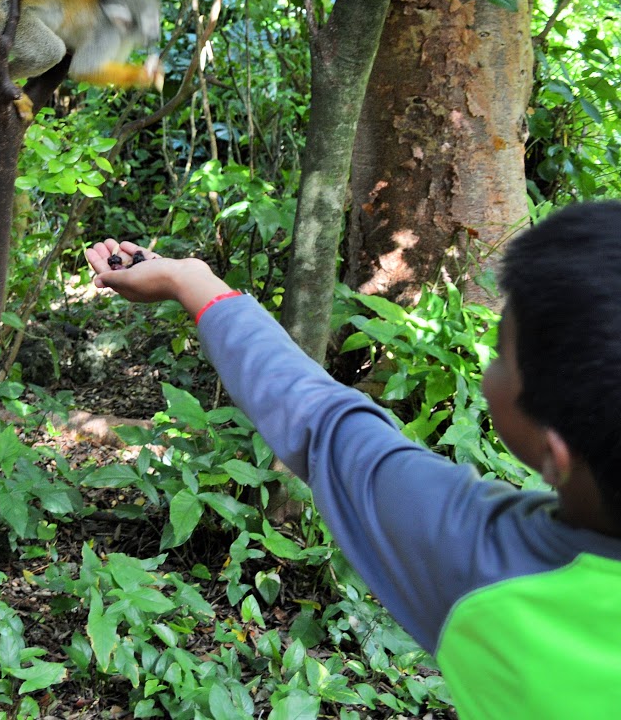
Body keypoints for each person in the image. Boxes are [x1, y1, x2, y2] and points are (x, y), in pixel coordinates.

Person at [85, 202, 621, 720]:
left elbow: (321, 420)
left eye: (502, 354)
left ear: (555, 455)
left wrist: (189, 280)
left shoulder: (487, 573)